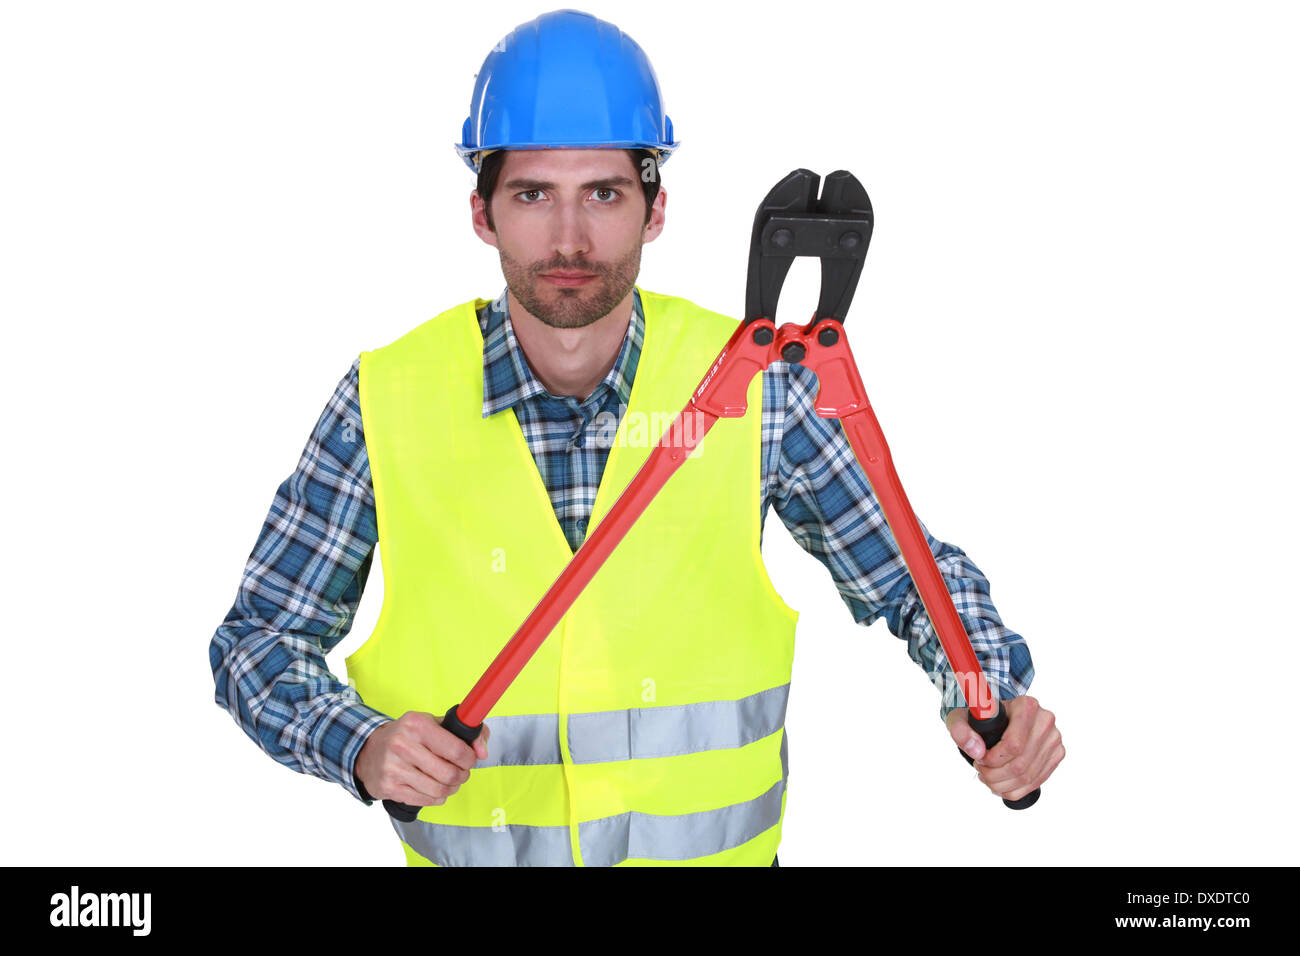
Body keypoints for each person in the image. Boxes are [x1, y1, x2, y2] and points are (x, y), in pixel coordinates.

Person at [209, 9, 1064, 867]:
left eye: (606, 194)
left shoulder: (759, 386)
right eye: (533, 194)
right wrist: (359, 745)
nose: (570, 239)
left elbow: (916, 576)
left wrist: (985, 690)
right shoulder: (385, 398)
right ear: (482, 212)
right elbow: (257, 643)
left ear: (656, 210)